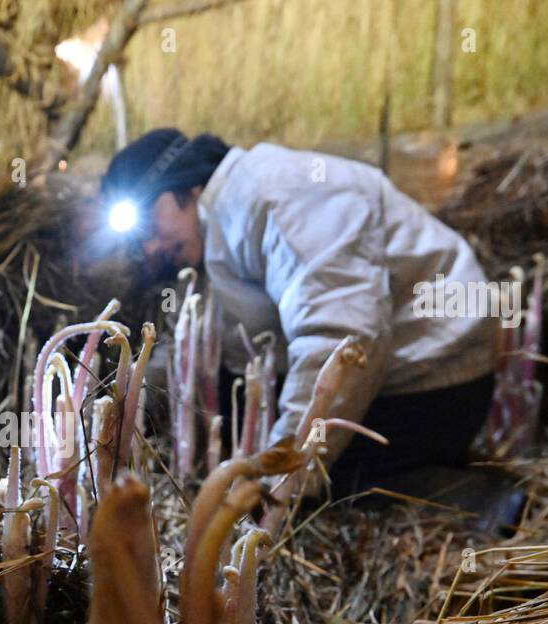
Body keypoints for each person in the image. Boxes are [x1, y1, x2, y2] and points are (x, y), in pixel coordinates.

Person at [99, 128, 523, 528]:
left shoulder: (274, 195)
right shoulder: (217, 229)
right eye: (139, 245)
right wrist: (131, 398)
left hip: (434, 377)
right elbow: (211, 341)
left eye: (151, 228)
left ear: (188, 186)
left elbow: (342, 336)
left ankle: (478, 502)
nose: (151, 249)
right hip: (399, 368)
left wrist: (280, 482)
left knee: (334, 485)